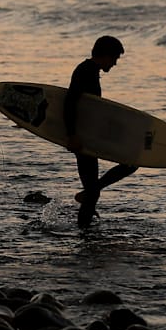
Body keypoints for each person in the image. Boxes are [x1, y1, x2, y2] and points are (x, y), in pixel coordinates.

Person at [64, 35, 137, 228]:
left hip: (89, 135)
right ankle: (84, 233)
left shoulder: (90, 70)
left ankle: (85, 230)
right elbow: (70, 103)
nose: (114, 64)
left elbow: (91, 107)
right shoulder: (85, 71)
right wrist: (72, 135)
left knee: (94, 189)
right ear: (106, 55)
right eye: (115, 58)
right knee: (128, 164)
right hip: (82, 137)